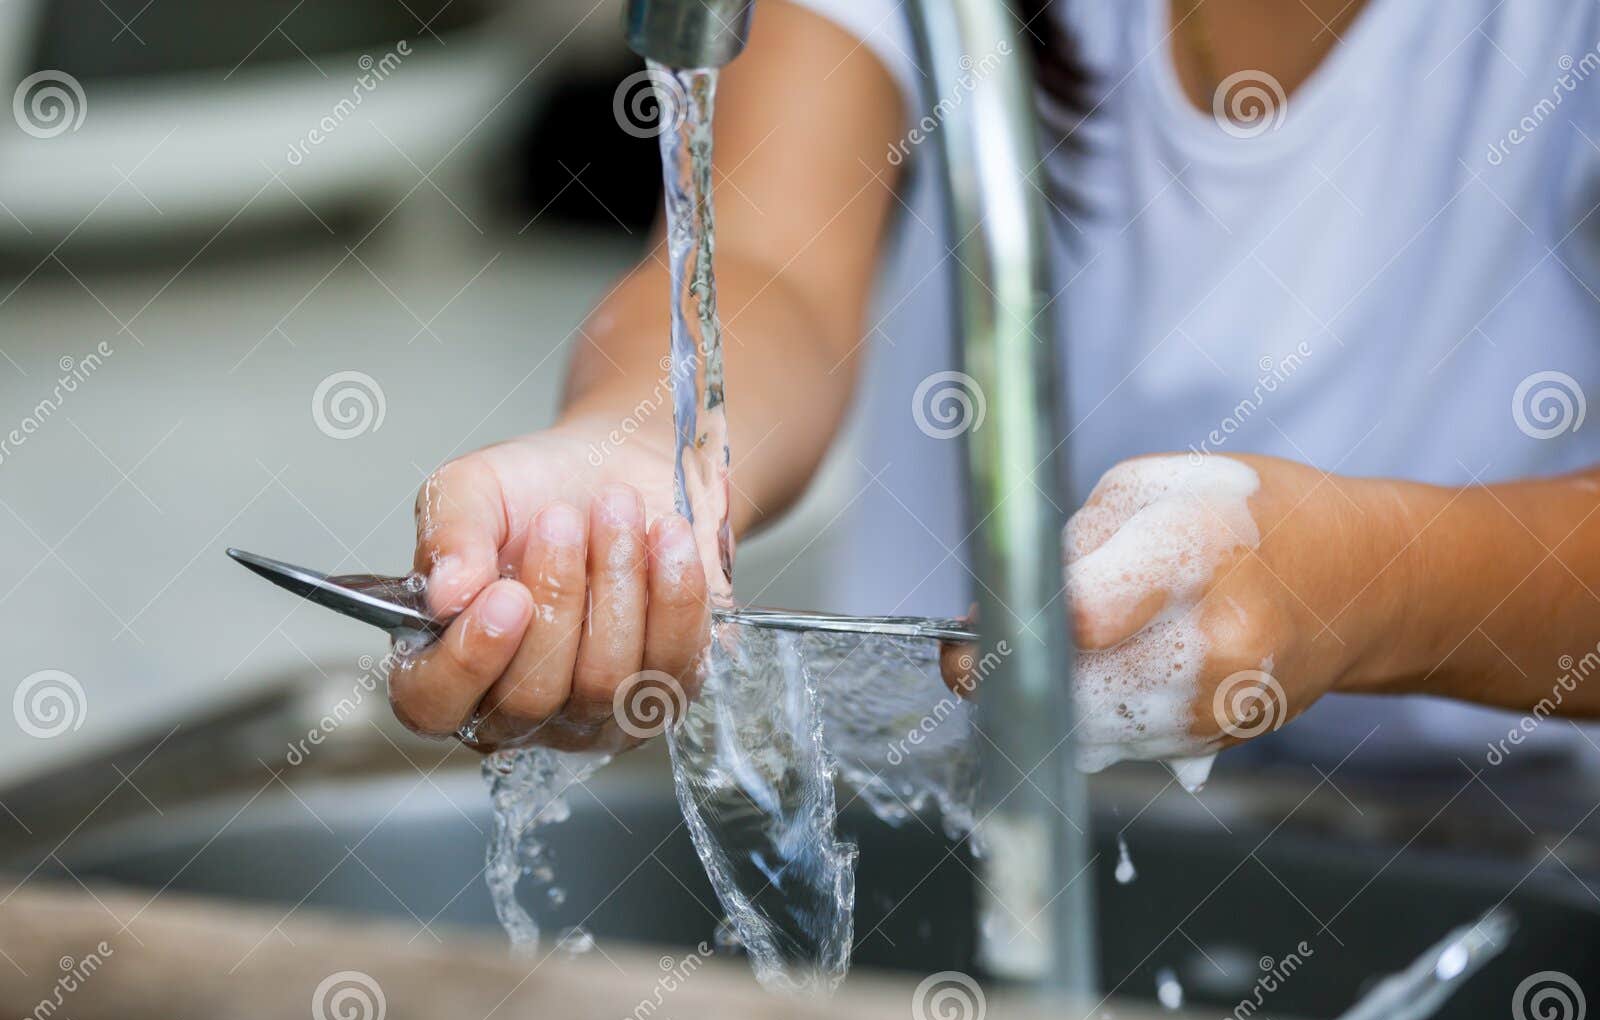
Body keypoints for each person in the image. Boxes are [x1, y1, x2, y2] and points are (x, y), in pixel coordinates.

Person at [388, 0, 1600, 776]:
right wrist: (632, 455)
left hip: (1494, 842)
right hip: (936, 797)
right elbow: (760, 265)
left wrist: (1374, 584)